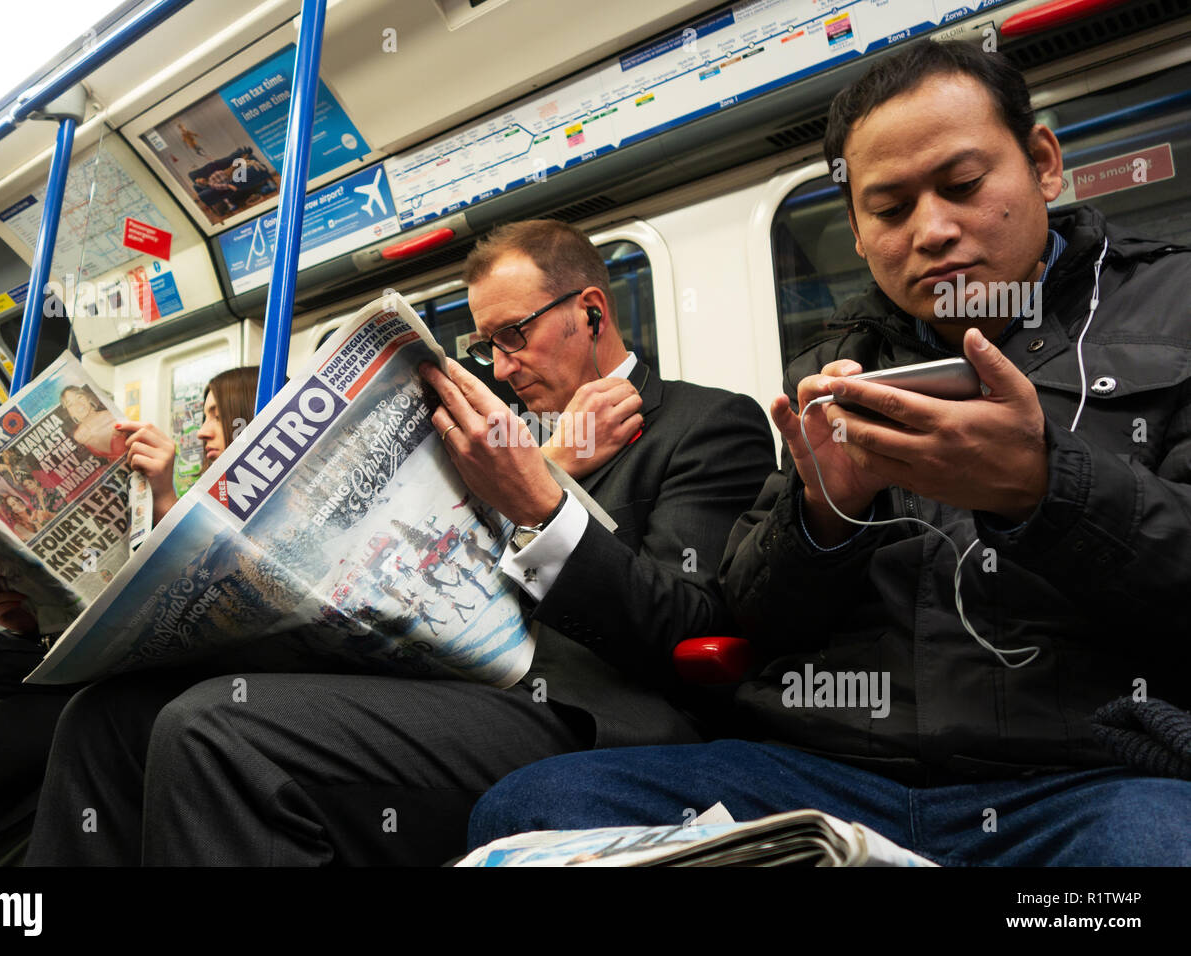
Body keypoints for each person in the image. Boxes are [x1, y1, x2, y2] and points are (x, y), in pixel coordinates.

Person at [466, 40, 1191, 866]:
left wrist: (1044, 489)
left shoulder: (1172, 310)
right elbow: (753, 620)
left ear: (1043, 164)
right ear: (856, 229)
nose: (933, 231)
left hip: (1080, 777)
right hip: (836, 768)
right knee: (535, 808)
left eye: (963, 186)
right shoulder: (830, 367)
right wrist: (822, 519)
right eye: (888, 209)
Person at [22, 219, 777, 866]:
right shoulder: (514, 439)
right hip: (449, 677)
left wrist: (542, 500)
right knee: (108, 717)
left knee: (216, 728)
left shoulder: (707, 424)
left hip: (582, 705)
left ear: (589, 312)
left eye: (516, 334)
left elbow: (693, 622)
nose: (504, 367)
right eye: (488, 346)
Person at [0, 367, 258, 865]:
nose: (203, 429)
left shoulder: (226, 514)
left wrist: (165, 498)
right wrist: (26, 618)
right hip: (74, 667)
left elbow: (206, 622)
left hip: (137, 687)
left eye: (218, 414)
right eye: (206, 413)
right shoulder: (181, 490)